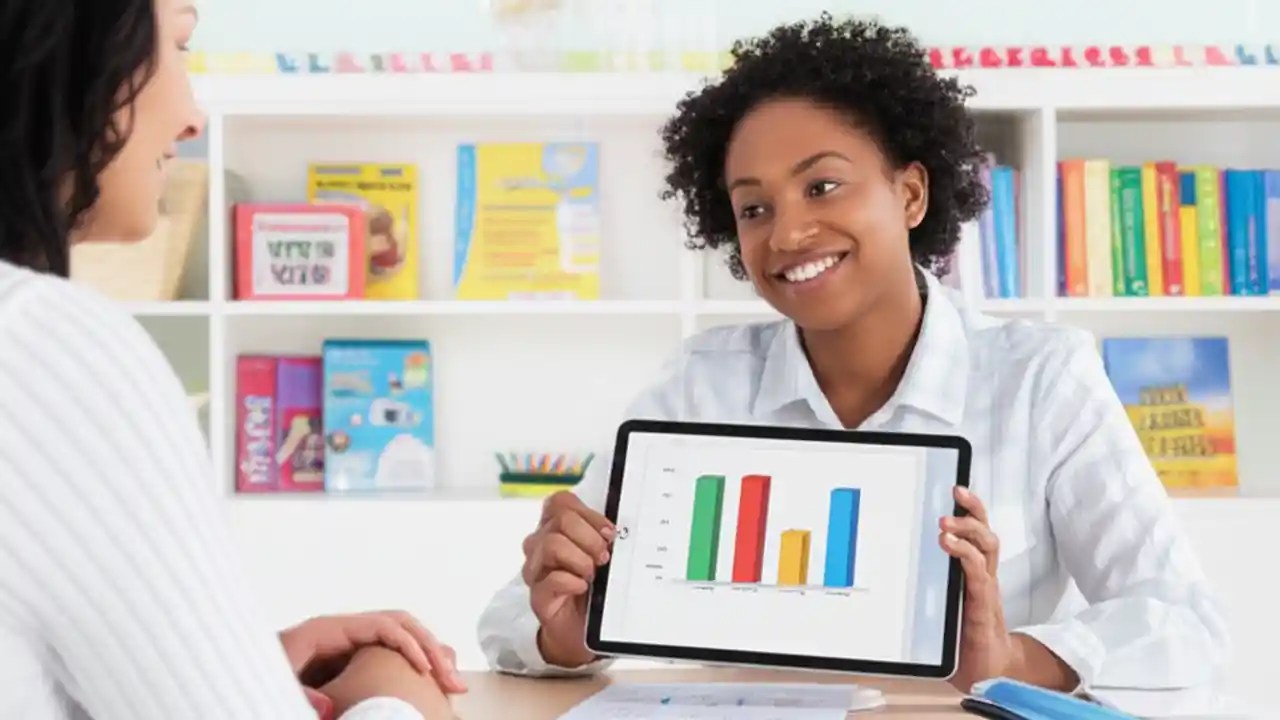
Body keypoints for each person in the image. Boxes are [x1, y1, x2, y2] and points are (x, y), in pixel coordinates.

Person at [478, 14, 1230, 693]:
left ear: (909, 195)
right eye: (754, 207)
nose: (788, 233)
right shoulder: (701, 382)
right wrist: (567, 629)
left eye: (824, 185)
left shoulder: (1041, 377)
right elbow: (514, 622)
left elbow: (1184, 623)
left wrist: (1013, 659)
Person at [0, 1, 463, 718]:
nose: (192, 117)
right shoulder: (45, 348)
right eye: (181, 48)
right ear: (72, 50)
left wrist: (229, 664)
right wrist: (396, 691)